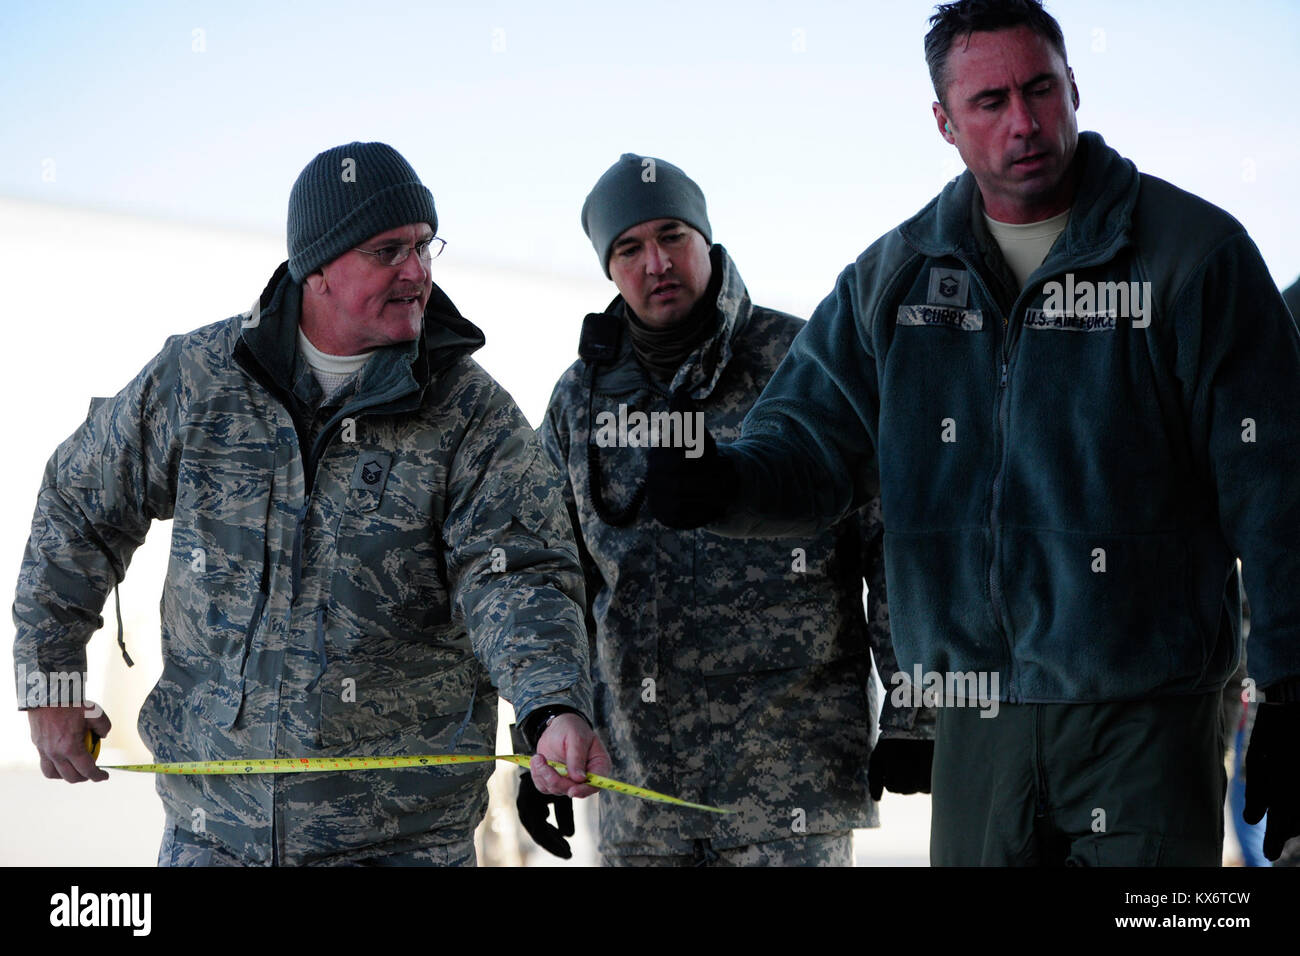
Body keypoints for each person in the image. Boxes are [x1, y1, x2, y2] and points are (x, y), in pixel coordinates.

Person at [648, 0, 1300, 866]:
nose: (1024, 123)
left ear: (1076, 87)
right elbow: (810, 441)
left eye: (1041, 90)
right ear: (945, 123)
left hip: (1145, 719)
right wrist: (725, 483)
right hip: (976, 722)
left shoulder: (1192, 257)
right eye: (990, 102)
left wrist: (1292, 685)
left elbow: (1278, 485)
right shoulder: (897, 276)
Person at [13, 141, 609, 866]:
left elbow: (517, 575)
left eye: (425, 247)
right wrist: (50, 682)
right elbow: (79, 505)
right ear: (317, 266)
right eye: (389, 251)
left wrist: (550, 705)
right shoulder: (199, 379)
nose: (419, 273)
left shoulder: (470, 416)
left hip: (400, 848)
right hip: (210, 842)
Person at [524, 153, 932, 867]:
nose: (656, 262)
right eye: (629, 247)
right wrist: (547, 724)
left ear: (706, 240)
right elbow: (545, 572)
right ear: (609, 268)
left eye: (673, 235)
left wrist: (913, 712)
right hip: (639, 791)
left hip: (791, 785)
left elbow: (892, 543)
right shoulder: (579, 400)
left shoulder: (805, 364)